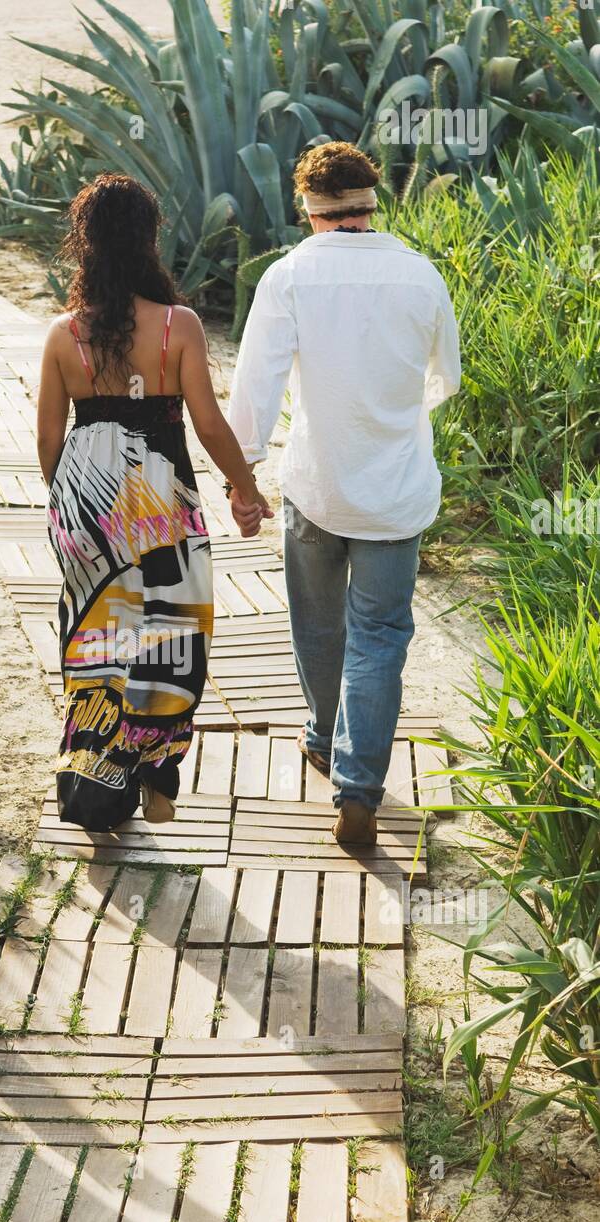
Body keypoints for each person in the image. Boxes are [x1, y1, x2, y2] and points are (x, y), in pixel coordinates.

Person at [228, 142, 461, 846]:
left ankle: (321, 740)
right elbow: (442, 377)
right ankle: (357, 787)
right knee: (379, 637)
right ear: (372, 200)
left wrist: (243, 482)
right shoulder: (420, 276)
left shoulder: (288, 276)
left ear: (308, 208)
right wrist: (390, 419)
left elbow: (253, 391)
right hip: (394, 495)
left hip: (314, 485)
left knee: (318, 626)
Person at [37, 173, 271, 832]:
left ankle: (92, 795)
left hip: (84, 499)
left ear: (83, 245)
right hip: (162, 496)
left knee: (98, 646)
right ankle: (157, 774)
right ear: (148, 240)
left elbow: (48, 439)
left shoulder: (63, 335)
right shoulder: (177, 327)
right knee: (171, 634)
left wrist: (72, 518)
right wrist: (244, 491)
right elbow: (209, 425)